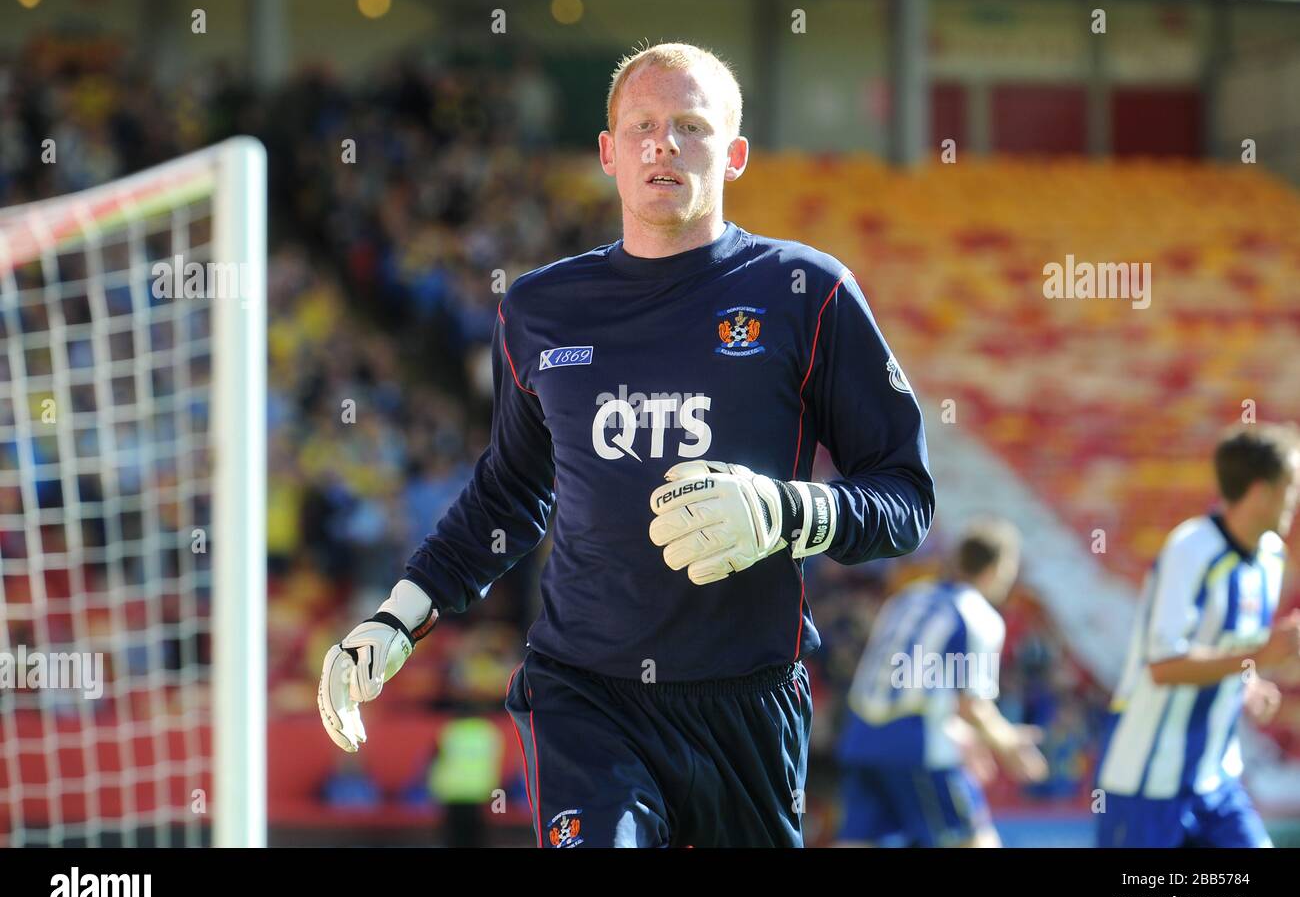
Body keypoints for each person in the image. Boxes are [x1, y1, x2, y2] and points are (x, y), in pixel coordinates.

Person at [318, 42, 934, 847]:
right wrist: (397, 619)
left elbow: (905, 499)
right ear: (608, 152)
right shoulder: (540, 309)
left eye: (690, 126)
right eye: (641, 125)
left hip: (746, 699)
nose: (662, 144)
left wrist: (786, 513)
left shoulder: (806, 291)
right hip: (586, 694)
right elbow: (508, 493)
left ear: (735, 153)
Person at [1096, 423, 1300, 848]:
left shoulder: (1271, 559)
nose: (1295, 500)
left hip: (1217, 779)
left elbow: (1228, 648)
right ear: (1262, 491)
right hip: (1147, 782)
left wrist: (1250, 682)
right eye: (1290, 486)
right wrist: (1260, 657)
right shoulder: (1192, 549)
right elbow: (1165, 666)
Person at [834, 518, 1047, 847]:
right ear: (999, 569)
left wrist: (963, 735)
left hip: (861, 738)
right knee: (974, 840)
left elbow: (901, 679)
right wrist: (1006, 743)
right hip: (917, 746)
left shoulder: (908, 597)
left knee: (858, 842)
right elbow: (971, 704)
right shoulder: (976, 614)